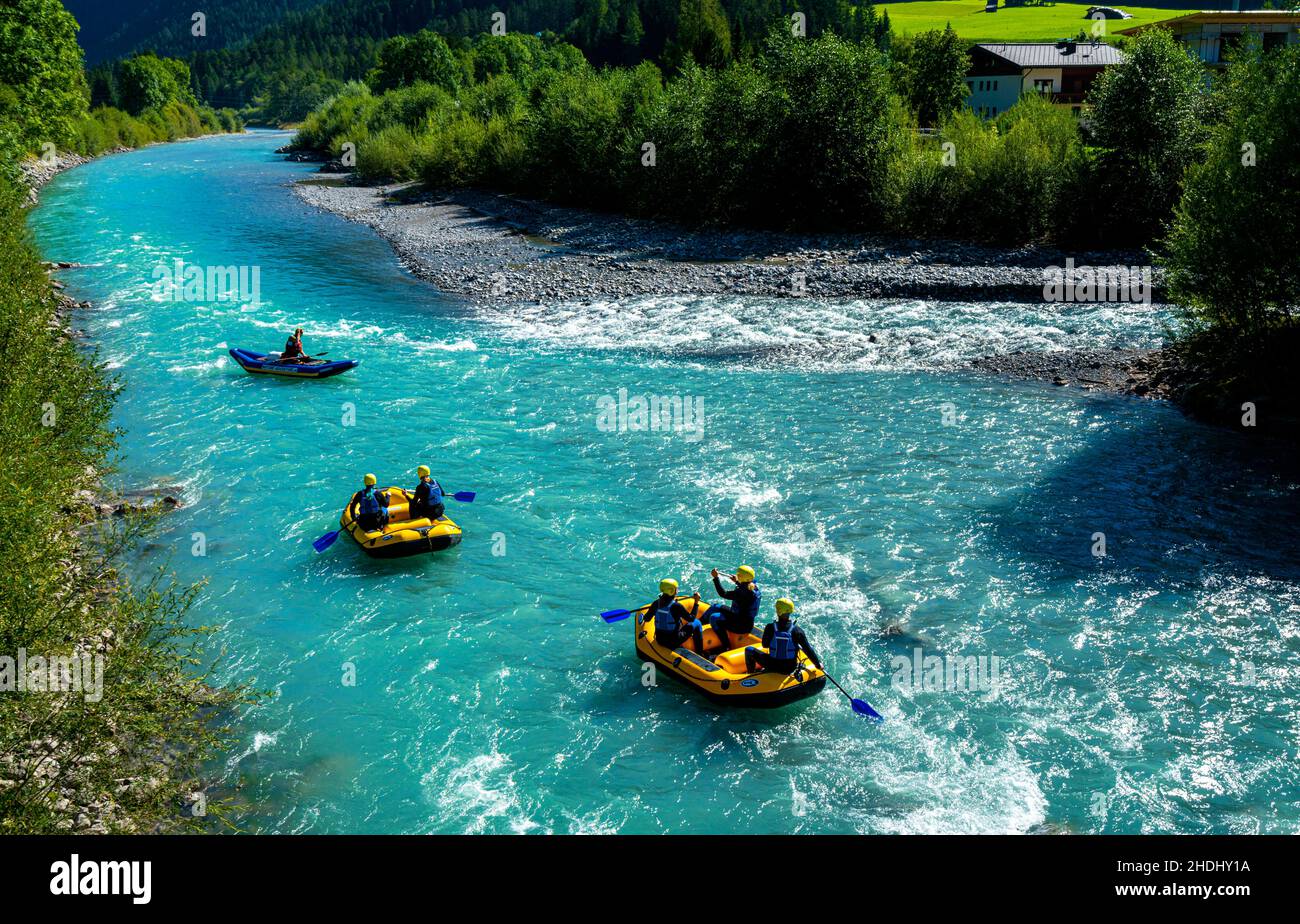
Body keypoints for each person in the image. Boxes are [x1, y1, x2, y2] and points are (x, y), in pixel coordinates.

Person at [745, 598, 822, 675]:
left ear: (777, 611)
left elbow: (765, 645)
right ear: (791, 611)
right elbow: (808, 650)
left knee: (749, 650)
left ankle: (751, 674)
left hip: (772, 665)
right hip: (790, 668)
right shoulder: (797, 631)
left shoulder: (770, 627)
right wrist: (818, 665)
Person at [703, 565, 761, 653]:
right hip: (740, 617)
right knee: (716, 607)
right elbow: (745, 589)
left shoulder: (742, 592)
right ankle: (700, 624)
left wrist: (715, 578)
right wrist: (737, 582)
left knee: (714, 618)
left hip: (741, 626)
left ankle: (726, 646)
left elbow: (723, 593)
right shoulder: (753, 586)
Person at [642, 579, 705, 655]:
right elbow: (691, 618)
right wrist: (696, 602)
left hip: (660, 640)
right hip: (674, 641)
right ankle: (700, 652)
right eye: (676, 588)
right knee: (697, 622)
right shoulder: (676, 606)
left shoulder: (656, 603)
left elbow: (647, 619)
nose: (677, 590)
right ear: (671, 591)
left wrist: (651, 610)